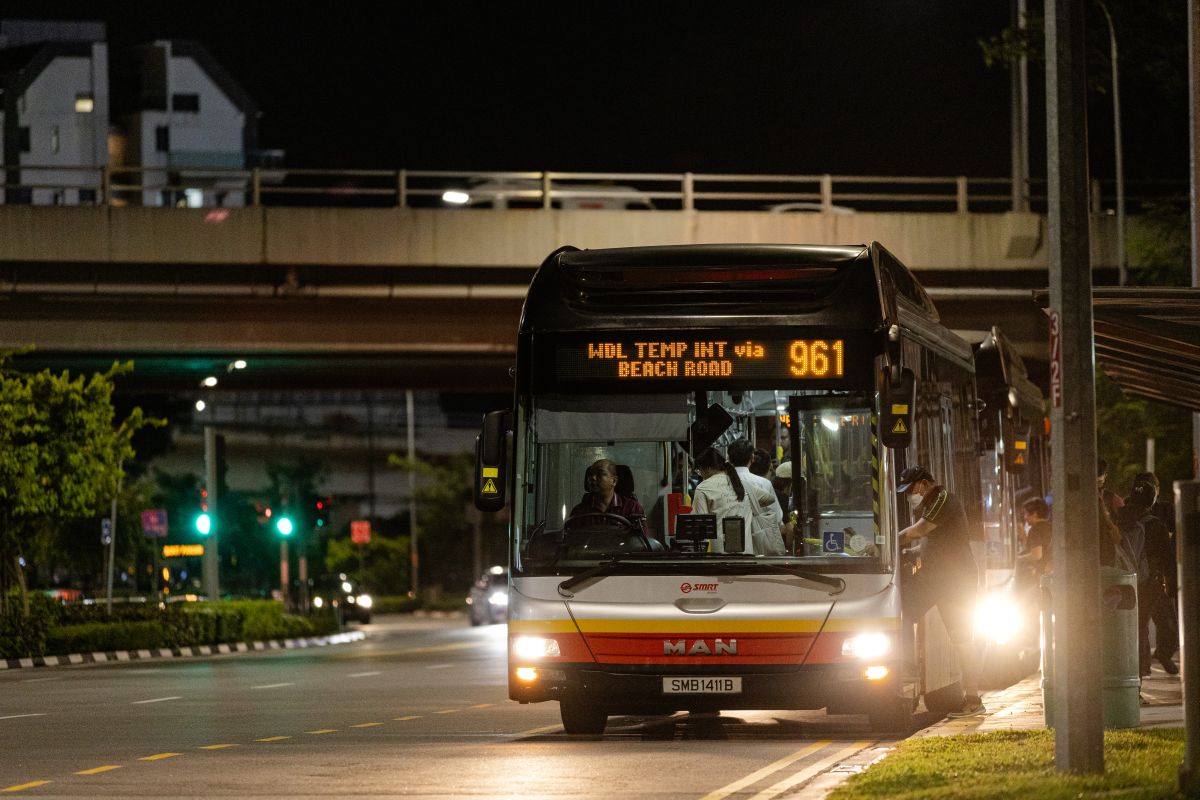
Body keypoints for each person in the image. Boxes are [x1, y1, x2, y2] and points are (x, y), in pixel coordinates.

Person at [896, 465, 985, 718]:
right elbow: (931, 543)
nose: (910, 495)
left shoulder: (943, 499)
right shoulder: (930, 505)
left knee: (963, 640)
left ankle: (973, 698)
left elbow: (920, 531)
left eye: (911, 489)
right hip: (937, 579)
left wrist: (889, 543)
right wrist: (911, 553)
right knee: (901, 611)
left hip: (955, 581)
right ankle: (905, 668)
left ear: (924, 484)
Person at [1125, 479, 1179, 675]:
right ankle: (1141, 672)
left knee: (1133, 626)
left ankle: (1134, 674)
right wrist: (1171, 587)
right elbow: (1167, 559)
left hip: (1125, 581)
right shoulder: (1157, 525)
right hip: (1151, 583)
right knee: (1149, 625)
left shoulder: (1120, 519)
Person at [690, 448, 754, 554]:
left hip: (719, 555)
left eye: (699, 471)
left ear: (709, 468)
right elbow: (768, 498)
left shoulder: (703, 487)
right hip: (746, 554)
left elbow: (700, 526)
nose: (700, 475)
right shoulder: (740, 484)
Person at [728, 439, 786, 555]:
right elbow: (777, 517)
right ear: (752, 458)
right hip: (760, 546)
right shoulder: (763, 484)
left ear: (729, 459)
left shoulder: (721, 482)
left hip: (728, 545)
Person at [569, 458, 647, 533]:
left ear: (614, 481)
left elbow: (642, 542)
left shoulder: (633, 509)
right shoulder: (579, 512)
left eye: (599, 474)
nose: (593, 478)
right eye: (591, 474)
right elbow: (571, 542)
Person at [1017, 497, 1051, 587]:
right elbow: (1033, 548)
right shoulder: (1050, 526)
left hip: (1037, 575)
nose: (1025, 517)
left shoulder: (1036, 529)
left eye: (1026, 514)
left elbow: (1036, 555)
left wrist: (1018, 559)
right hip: (1049, 574)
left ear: (1035, 514)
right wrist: (1023, 535)